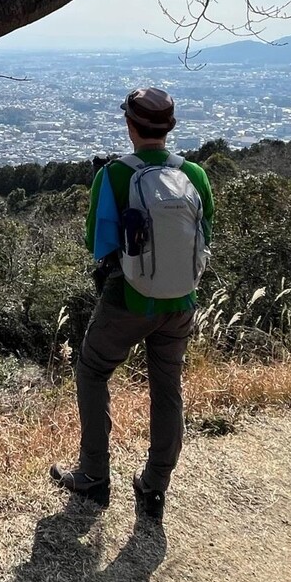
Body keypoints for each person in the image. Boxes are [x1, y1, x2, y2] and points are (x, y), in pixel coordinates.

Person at [50, 87, 214, 518]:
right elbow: (204, 238)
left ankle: (93, 475)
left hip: (128, 298)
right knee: (167, 386)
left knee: (93, 370)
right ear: (170, 128)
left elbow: (97, 243)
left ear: (130, 126)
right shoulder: (195, 175)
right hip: (181, 301)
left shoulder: (115, 176)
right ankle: (155, 485)